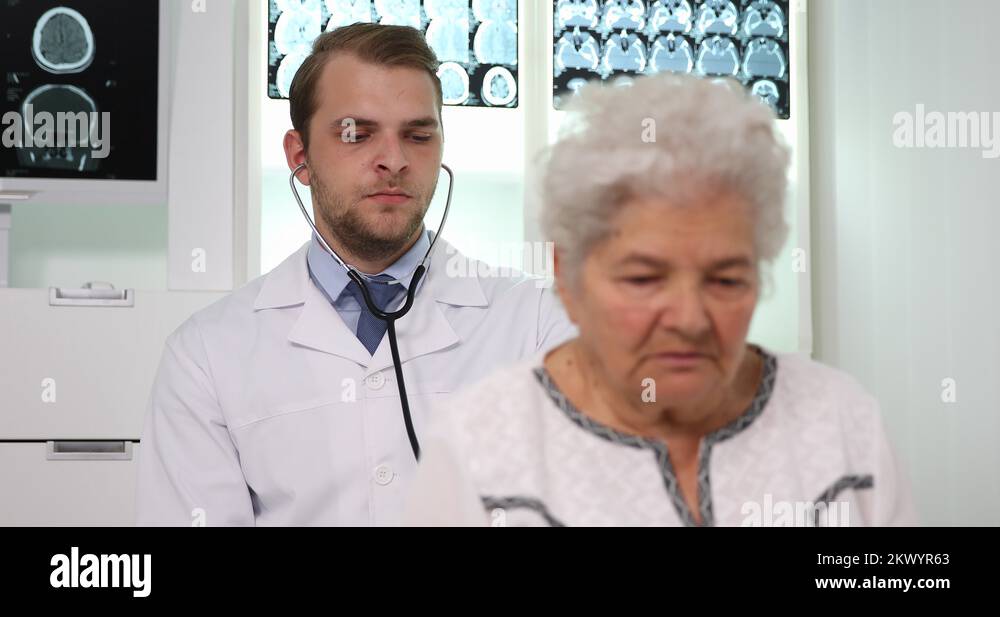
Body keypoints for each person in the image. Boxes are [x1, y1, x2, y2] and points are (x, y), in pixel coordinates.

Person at [404, 73, 918, 526]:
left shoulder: (842, 422)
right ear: (568, 277)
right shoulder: (480, 445)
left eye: (726, 280)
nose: (691, 320)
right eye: (645, 279)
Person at [136, 24, 574, 526]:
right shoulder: (206, 355)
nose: (394, 160)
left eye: (418, 135)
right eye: (356, 133)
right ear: (299, 158)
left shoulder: (539, 323)